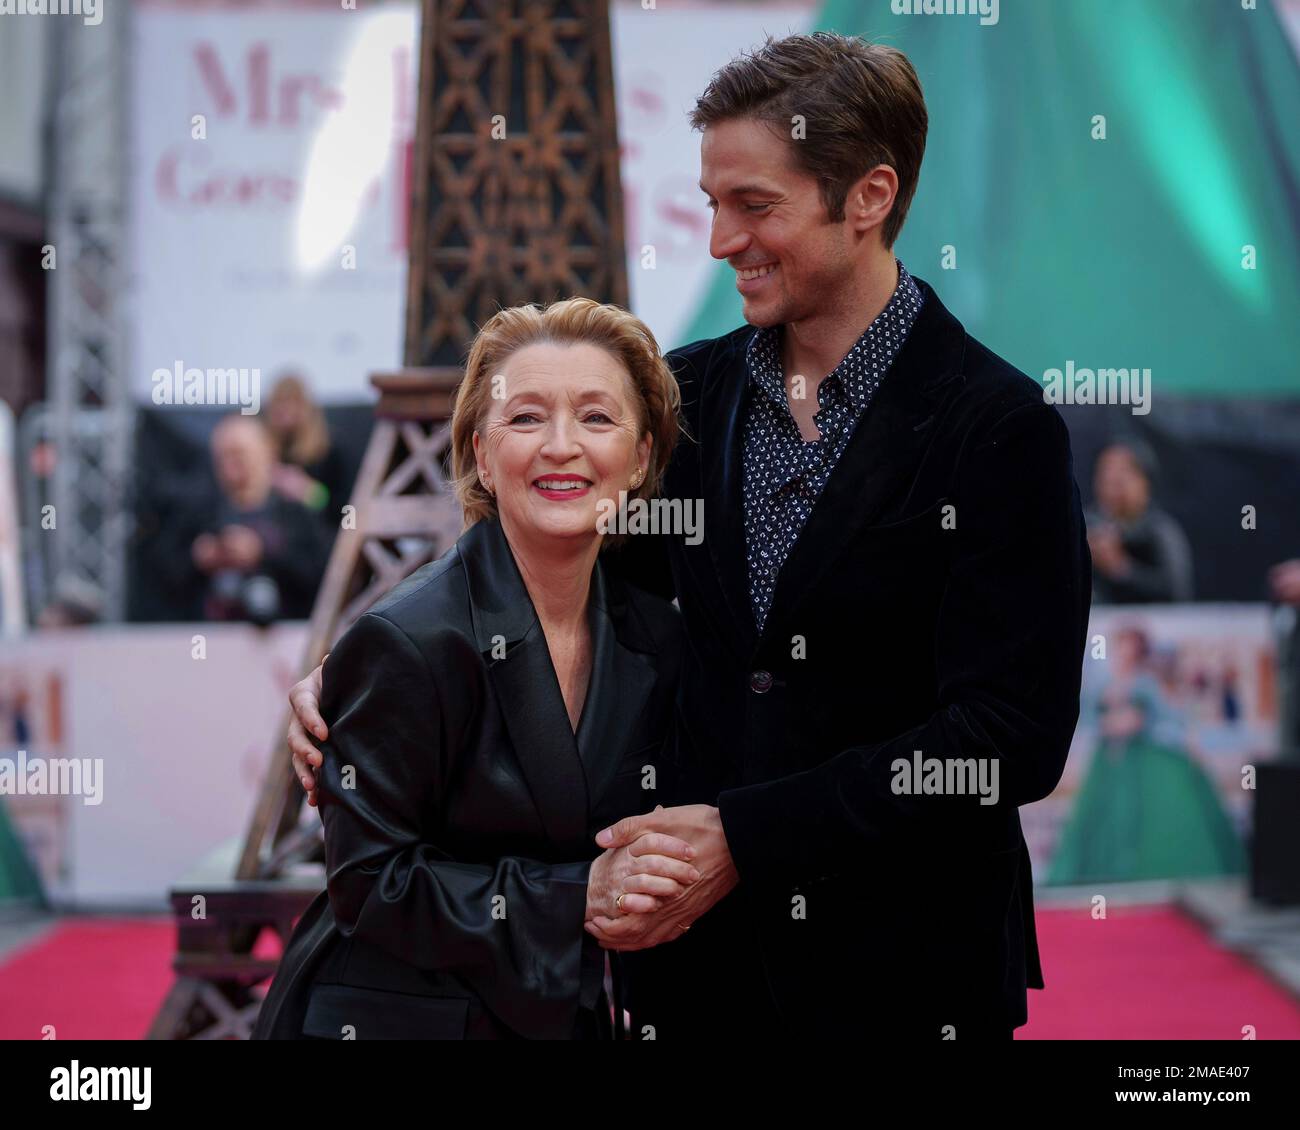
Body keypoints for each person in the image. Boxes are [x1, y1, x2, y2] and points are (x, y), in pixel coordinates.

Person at [290, 32, 1092, 1040]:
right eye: (712, 203)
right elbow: (539, 576)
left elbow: (1007, 738)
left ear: (869, 196)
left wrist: (748, 837)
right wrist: (354, 671)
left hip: (909, 974)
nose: (720, 239)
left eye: (754, 205)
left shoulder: (999, 427)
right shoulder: (685, 397)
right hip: (692, 981)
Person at [254, 298, 697, 1040]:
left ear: (643, 456)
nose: (562, 445)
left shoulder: (656, 634)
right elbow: (367, 880)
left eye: (596, 418)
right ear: (481, 454)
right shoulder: (407, 638)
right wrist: (573, 899)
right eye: (525, 419)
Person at [1048, 626, 1244, 885]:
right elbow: (1086, 717)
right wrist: (1109, 724)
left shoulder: (1146, 684)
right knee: (1102, 817)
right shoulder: (1102, 682)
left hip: (1137, 759)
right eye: (1121, 646)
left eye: (1131, 648)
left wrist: (1141, 724)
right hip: (1108, 761)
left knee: (1138, 812)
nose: (1124, 653)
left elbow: (1166, 717)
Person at [181, 415, 330, 624]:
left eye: (239, 454)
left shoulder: (295, 513)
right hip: (208, 641)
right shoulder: (198, 513)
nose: (231, 464)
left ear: (267, 452)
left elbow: (321, 576)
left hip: (285, 638)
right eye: (223, 456)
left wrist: (262, 553)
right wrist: (200, 558)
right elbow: (166, 579)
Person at [1086, 438, 1194, 604]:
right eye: (1106, 474)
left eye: (1123, 474)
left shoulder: (1160, 530)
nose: (1113, 483)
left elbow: (1177, 592)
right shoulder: (1083, 528)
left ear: (1145, 482)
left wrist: (1120, 567)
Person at [265, 372, 351, 529]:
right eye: (280, 403)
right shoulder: (263, 451)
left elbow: (347, 512)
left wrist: (308, 492)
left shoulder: (329, 452)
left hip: (318, 536)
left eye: (293, 402)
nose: (286, 410)